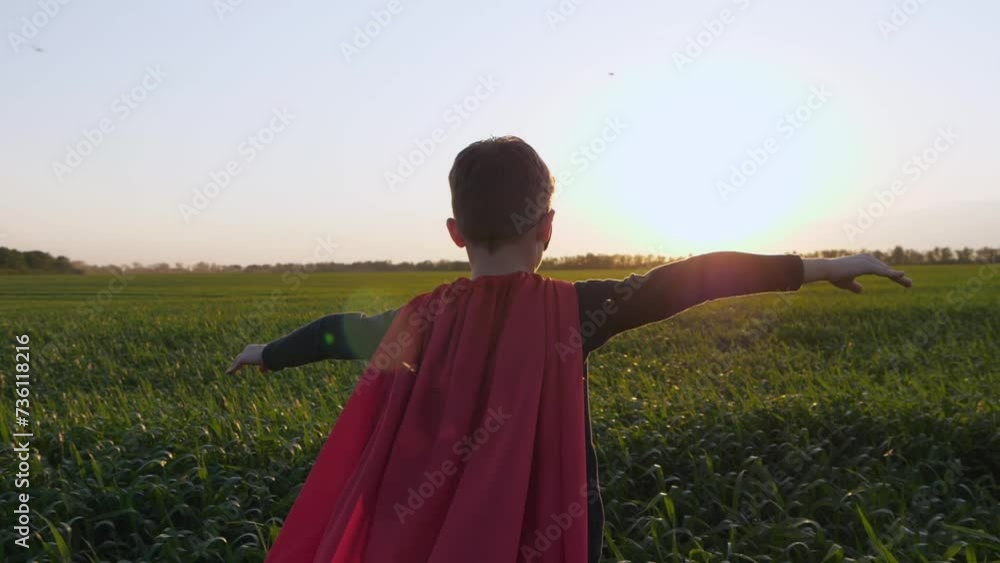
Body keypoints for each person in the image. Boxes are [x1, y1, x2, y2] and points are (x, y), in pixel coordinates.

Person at [227, 136, 912, 563]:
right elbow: (700, 277)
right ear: (548, 227)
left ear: (455, 231)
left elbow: (334, 330)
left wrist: (265, 351)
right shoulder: (575, 309)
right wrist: (825, 264)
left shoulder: (420, 320)